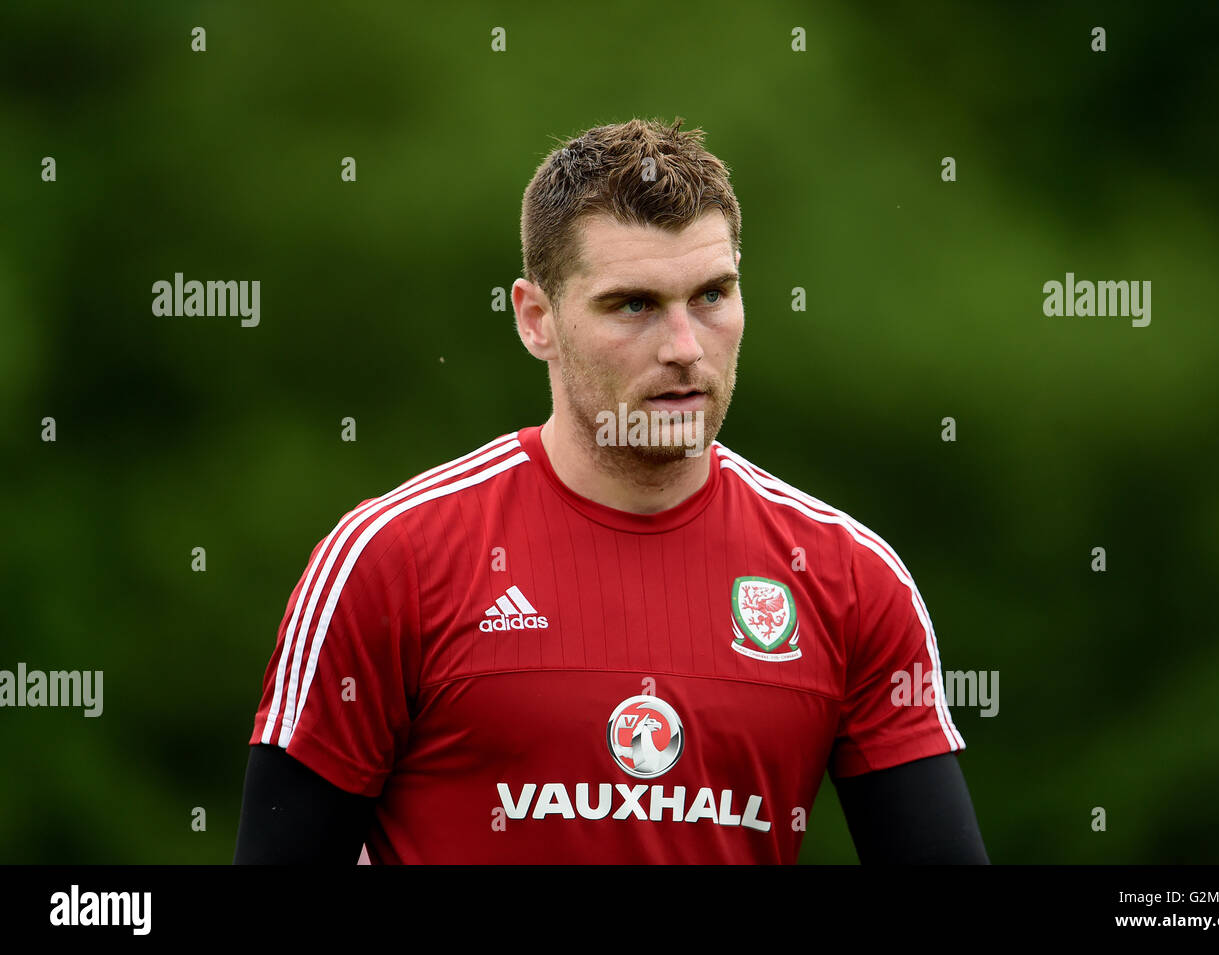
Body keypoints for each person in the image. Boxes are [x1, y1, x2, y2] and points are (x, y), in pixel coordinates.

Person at [234, 117, 989, 864]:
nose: (685, 347)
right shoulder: (388, 560)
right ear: (536, 319)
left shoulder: (849, 577)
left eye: (712, 295)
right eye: (634, 304)